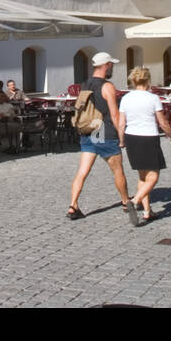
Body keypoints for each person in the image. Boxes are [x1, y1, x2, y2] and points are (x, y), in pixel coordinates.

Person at [66, 52, 132, 221]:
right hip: (105, 132)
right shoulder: (107, 86)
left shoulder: (85, 84)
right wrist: (122, 137)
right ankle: (125, 202)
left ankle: (73, 205)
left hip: (89, 130)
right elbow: (115, 114)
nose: (112, 68)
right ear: (107, 65)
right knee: (118, 170)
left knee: (82, 172)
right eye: (111, 65)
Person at [117, 67, 171, 225]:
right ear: (148, 80)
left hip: (131, 137)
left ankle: (147, 211)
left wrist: (121, 140)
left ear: (133, 81)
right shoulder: (153, 98)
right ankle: (134, 201)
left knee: (142, 176)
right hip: (148, 137)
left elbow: (121, 124)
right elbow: (162, 122)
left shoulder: (126, 98)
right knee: (153, 176)